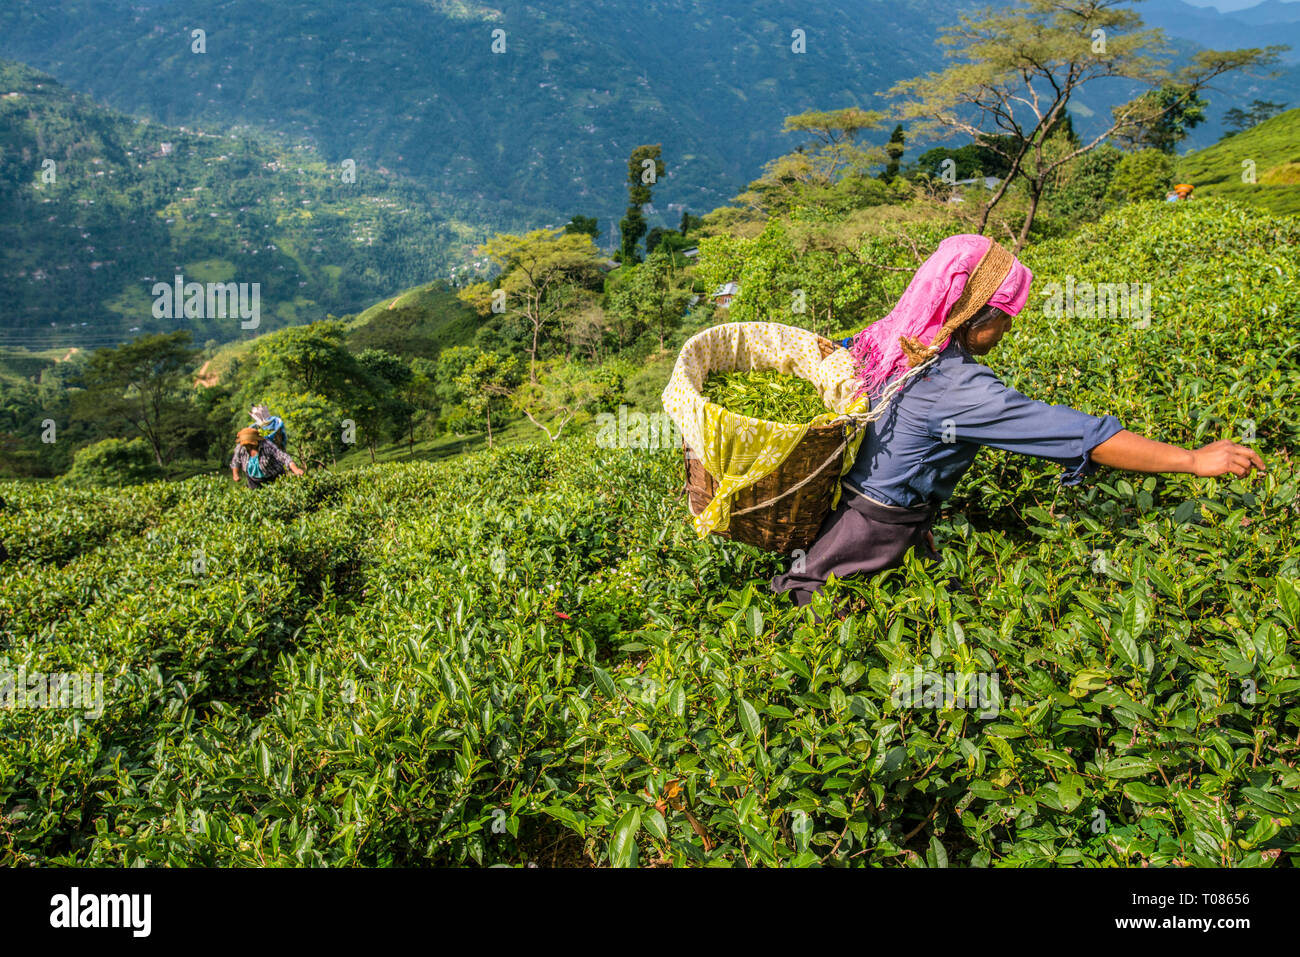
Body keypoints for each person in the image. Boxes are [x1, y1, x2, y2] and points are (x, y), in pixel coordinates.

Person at [770, 234, 1264, 611]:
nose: (1009, 326)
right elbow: (1079, 436)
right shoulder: (956, 387)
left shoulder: (887, 337)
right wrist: (1192, 460)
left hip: (847, 501)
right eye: (1005, 315)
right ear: (971, 314)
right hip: (874, 526)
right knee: (824, 610)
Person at [230, 426, 305, 489]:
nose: (248, 447)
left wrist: (296, 469)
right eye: (246, 445)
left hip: (273, 477)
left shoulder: (267, 446)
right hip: (254, 481)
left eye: (250, 444)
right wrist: (235, 474)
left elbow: (284, 457)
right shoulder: (240, 448)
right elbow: (236, 461)